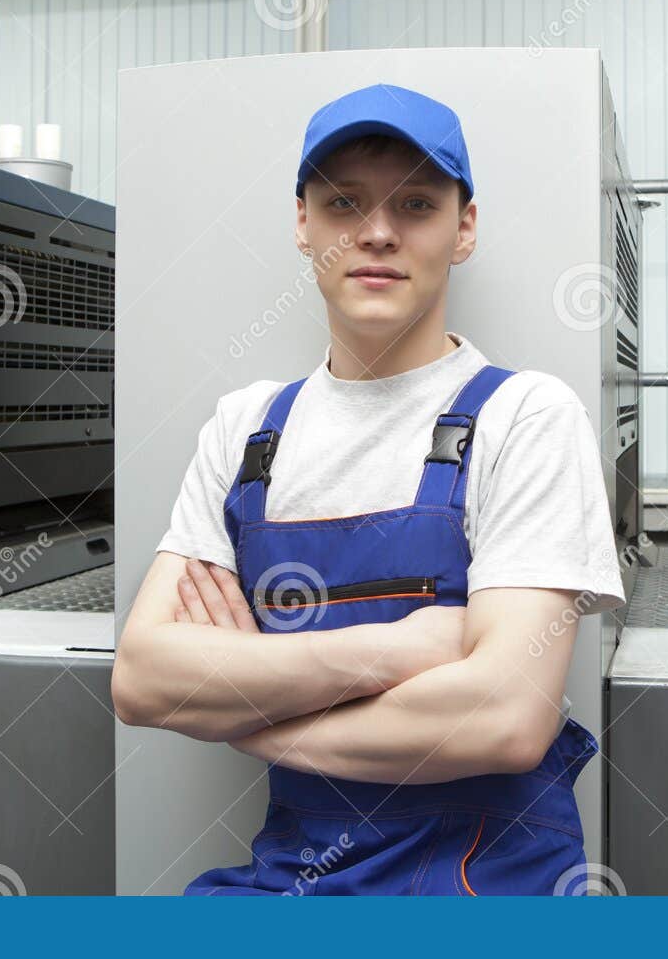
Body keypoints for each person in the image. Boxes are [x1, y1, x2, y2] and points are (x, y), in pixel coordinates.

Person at [112, 82, 625, 895]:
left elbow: (504, 718)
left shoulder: (525, 416)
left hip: (488, 884)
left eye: (416, 204)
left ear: (464, 229)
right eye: (345, 202)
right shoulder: (246, 430)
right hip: (291, 878)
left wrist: (251, 710)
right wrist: (397, 650)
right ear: (303, 224)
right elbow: (142, 680)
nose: (378, 232)